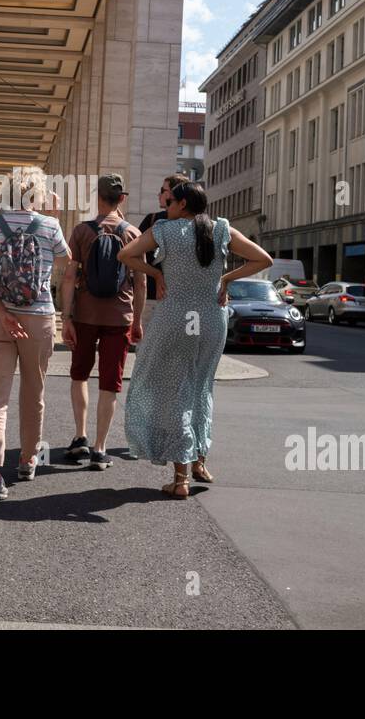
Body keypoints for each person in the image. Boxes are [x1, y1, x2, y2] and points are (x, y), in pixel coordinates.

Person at [117, 182, 272, 498]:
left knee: (176, 392)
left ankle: (180, 479)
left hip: (177, 317)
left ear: (183, 204)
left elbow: (126, 254)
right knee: (202, 387)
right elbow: (263, 260)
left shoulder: (166, 230)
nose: (167, 205)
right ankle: (200, 460)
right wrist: (224, 279)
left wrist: (157, 274)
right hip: (212, 319)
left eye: (171, 200)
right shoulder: (220, 230)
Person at [0, 166, 70, 503]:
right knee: (34, 391)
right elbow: (66, 261)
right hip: (39, 317)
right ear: (38, 194)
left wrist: (1, 311)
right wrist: (54, 216)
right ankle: (29, 460)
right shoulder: (49, 225)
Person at [59, 173, 144, 470]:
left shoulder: (82, 231)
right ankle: (100, 448)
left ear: (97, 197)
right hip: (119, 317)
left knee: (79, 375)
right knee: (110, 382)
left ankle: (80, 437)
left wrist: (66, 317)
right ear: (121, 199)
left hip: (85, 315)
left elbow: (69, 277)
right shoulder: (133, 233)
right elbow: (140, 283)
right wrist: (136, 320)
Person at [135, 174, 190, 334]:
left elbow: (127, 255)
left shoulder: (195, 225)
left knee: (150, 353)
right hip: (157, 298)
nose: (158, 194)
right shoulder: (152, 219)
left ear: (174, 194)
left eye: (162, 190)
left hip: (176, 300)